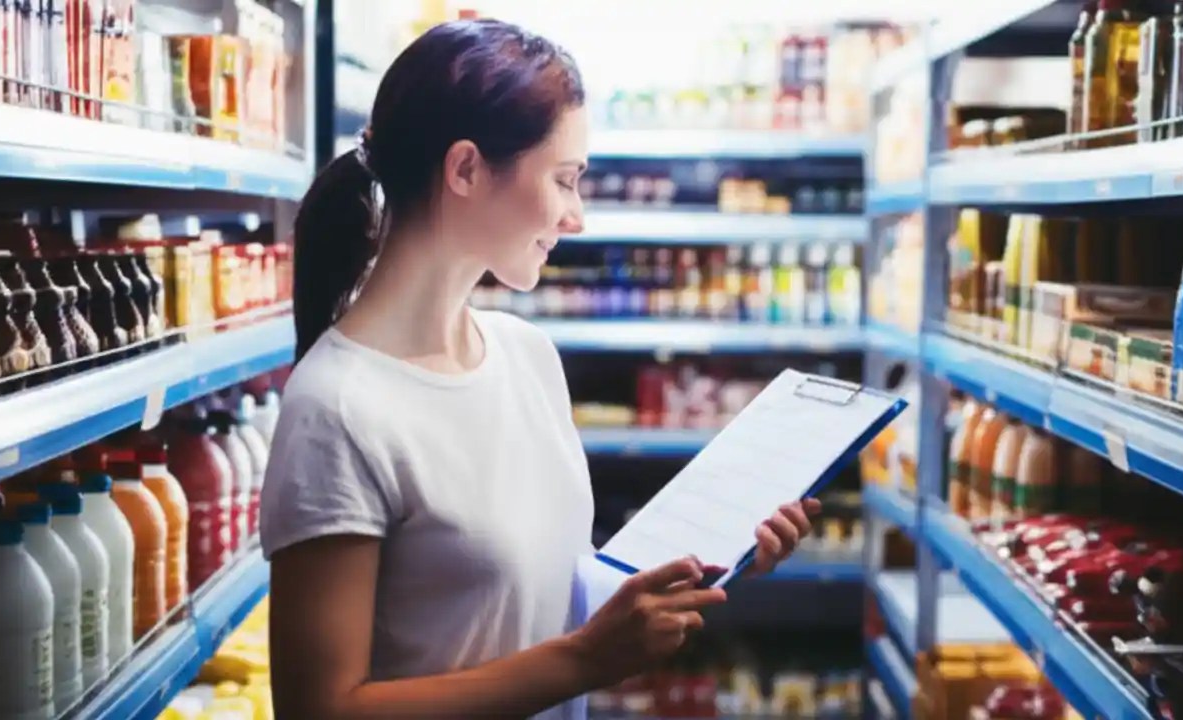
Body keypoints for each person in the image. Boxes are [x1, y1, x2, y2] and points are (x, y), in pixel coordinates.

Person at [260, 18, 822, 720]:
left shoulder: (526, 357)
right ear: (465, 169)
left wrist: (707, 558)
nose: (577, 216)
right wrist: (584, 661)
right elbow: (321, 710)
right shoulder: (337, 408)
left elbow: (541, 591)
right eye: (565, 181)